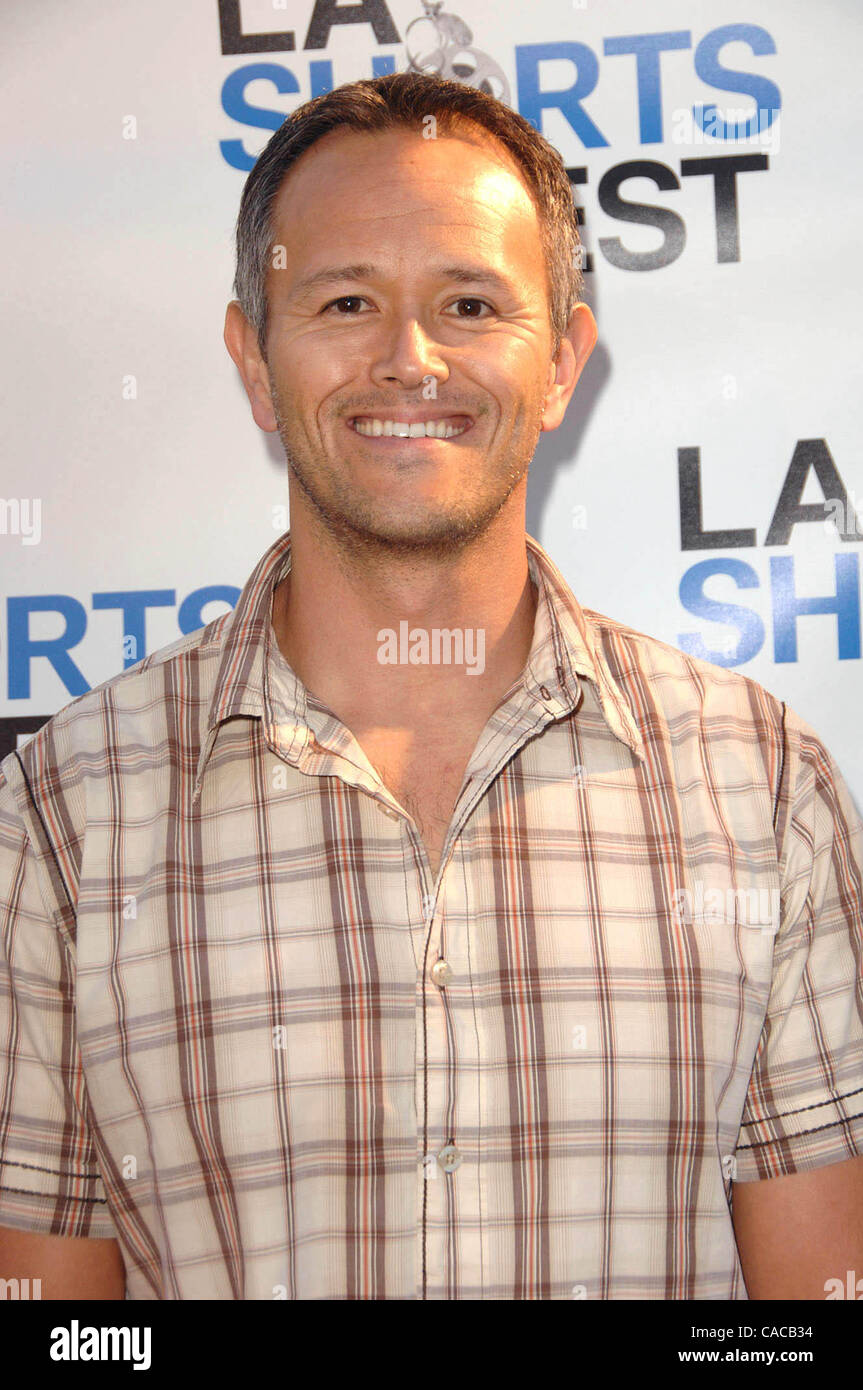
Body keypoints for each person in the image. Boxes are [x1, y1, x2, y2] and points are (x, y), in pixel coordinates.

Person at [1, 72, 861, 1301]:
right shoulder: (65, 816)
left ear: (560, 361)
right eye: (345, 300)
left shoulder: (758, 783)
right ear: (254, 361)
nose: (409, 360)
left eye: (469, 303)